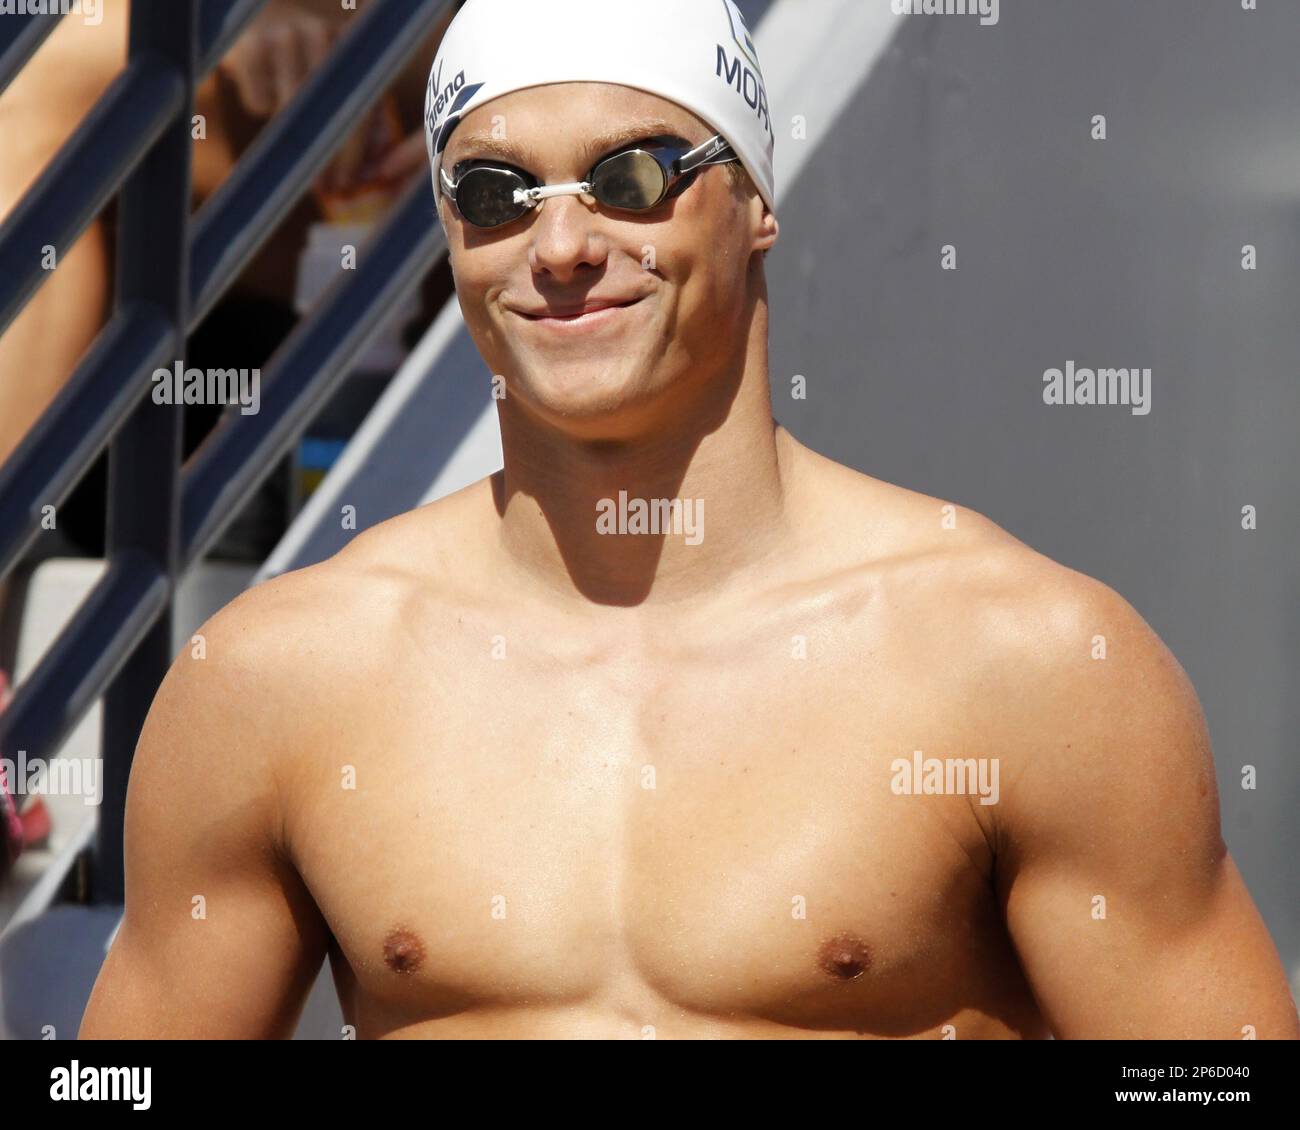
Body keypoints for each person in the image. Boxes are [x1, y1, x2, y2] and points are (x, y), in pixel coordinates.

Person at [79, 0, 1299, 1039]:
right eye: (496, 191)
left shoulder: (1024, 664)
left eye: (633, 177)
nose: (561, 244)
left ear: (755, 201)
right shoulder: (277, 680)